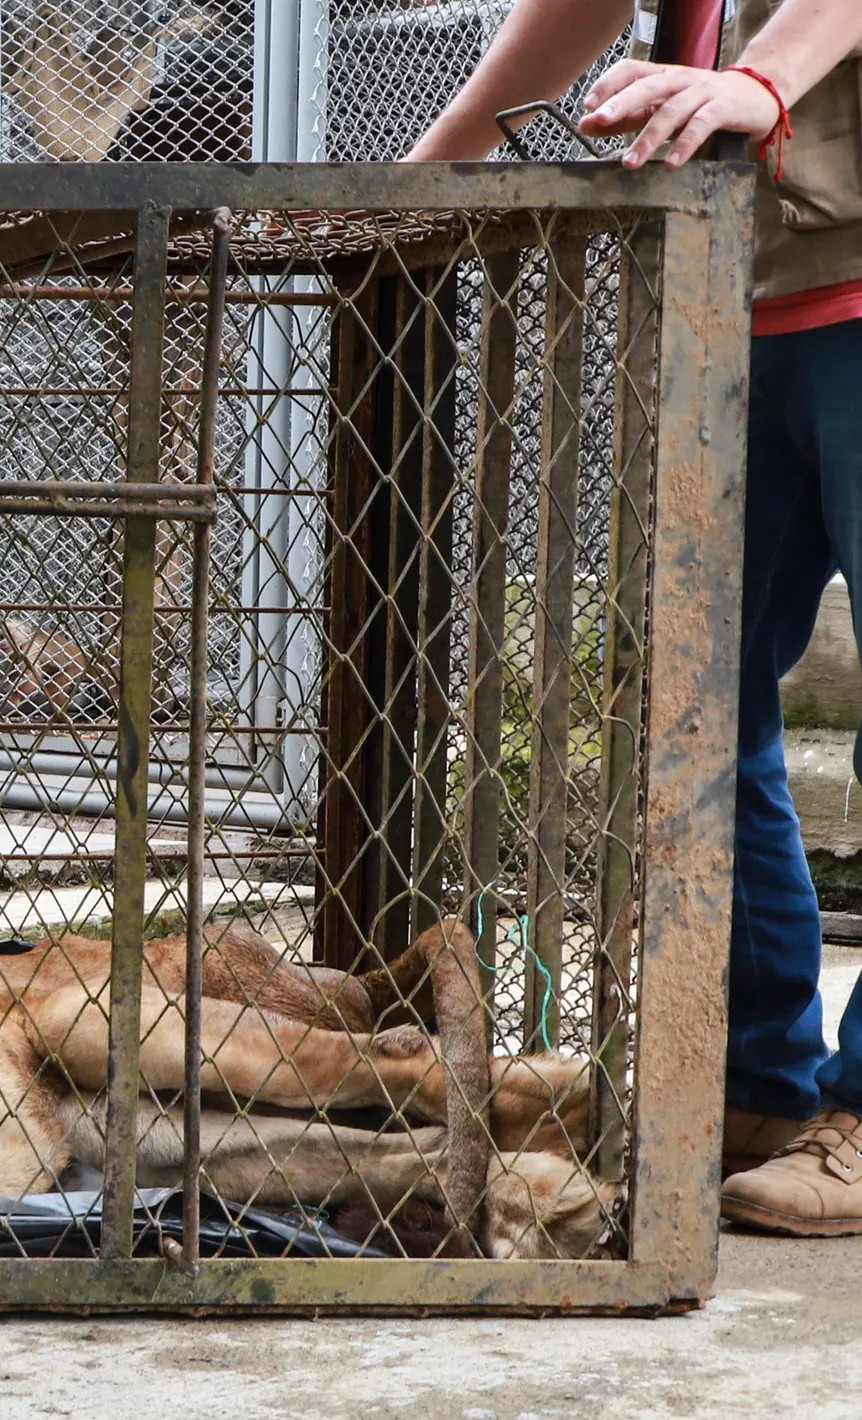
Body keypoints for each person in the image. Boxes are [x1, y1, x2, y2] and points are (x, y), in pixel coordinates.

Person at [410, 0, 862, 1235]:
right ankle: (759, 1085)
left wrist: (761, 82)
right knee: (687, 696)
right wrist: (435, 168)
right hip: (735, 282)